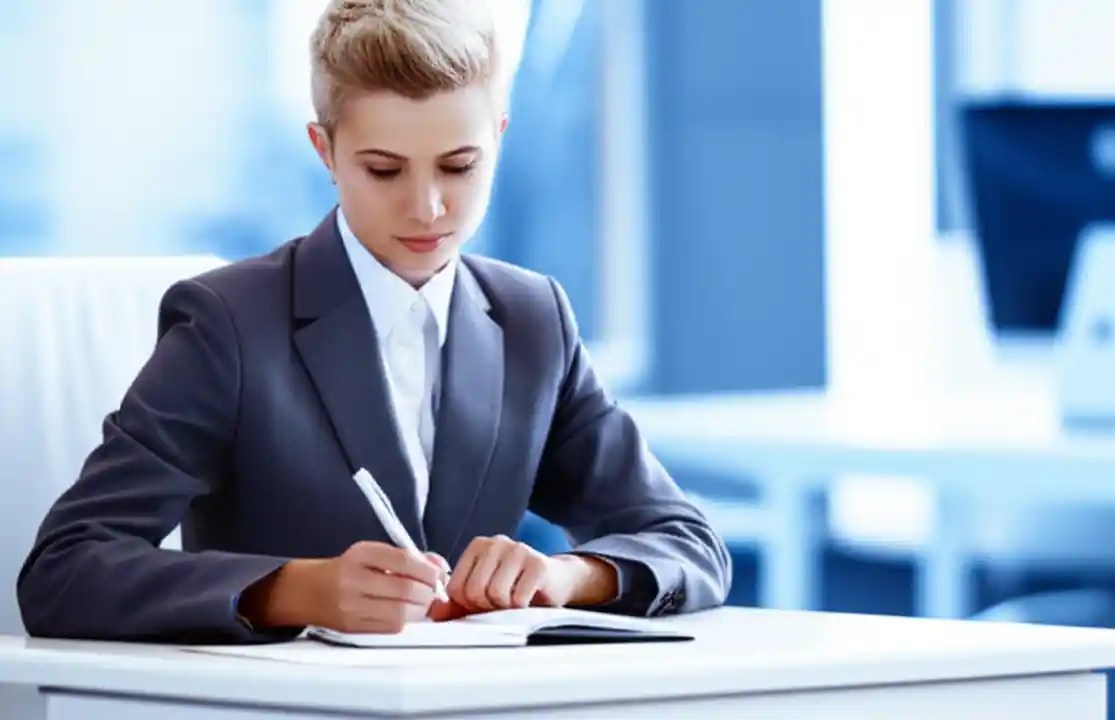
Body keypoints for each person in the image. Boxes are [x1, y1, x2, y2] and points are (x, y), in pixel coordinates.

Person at [16, 0, 730, 643]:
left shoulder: (531, 320)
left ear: (499, 138)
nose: (427, 208)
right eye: (384, 170)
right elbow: (64, 570)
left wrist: (567, 577)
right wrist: (294, 591)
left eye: (459, 166)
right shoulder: (228, 324)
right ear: (325, 150)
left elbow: (685, 542)